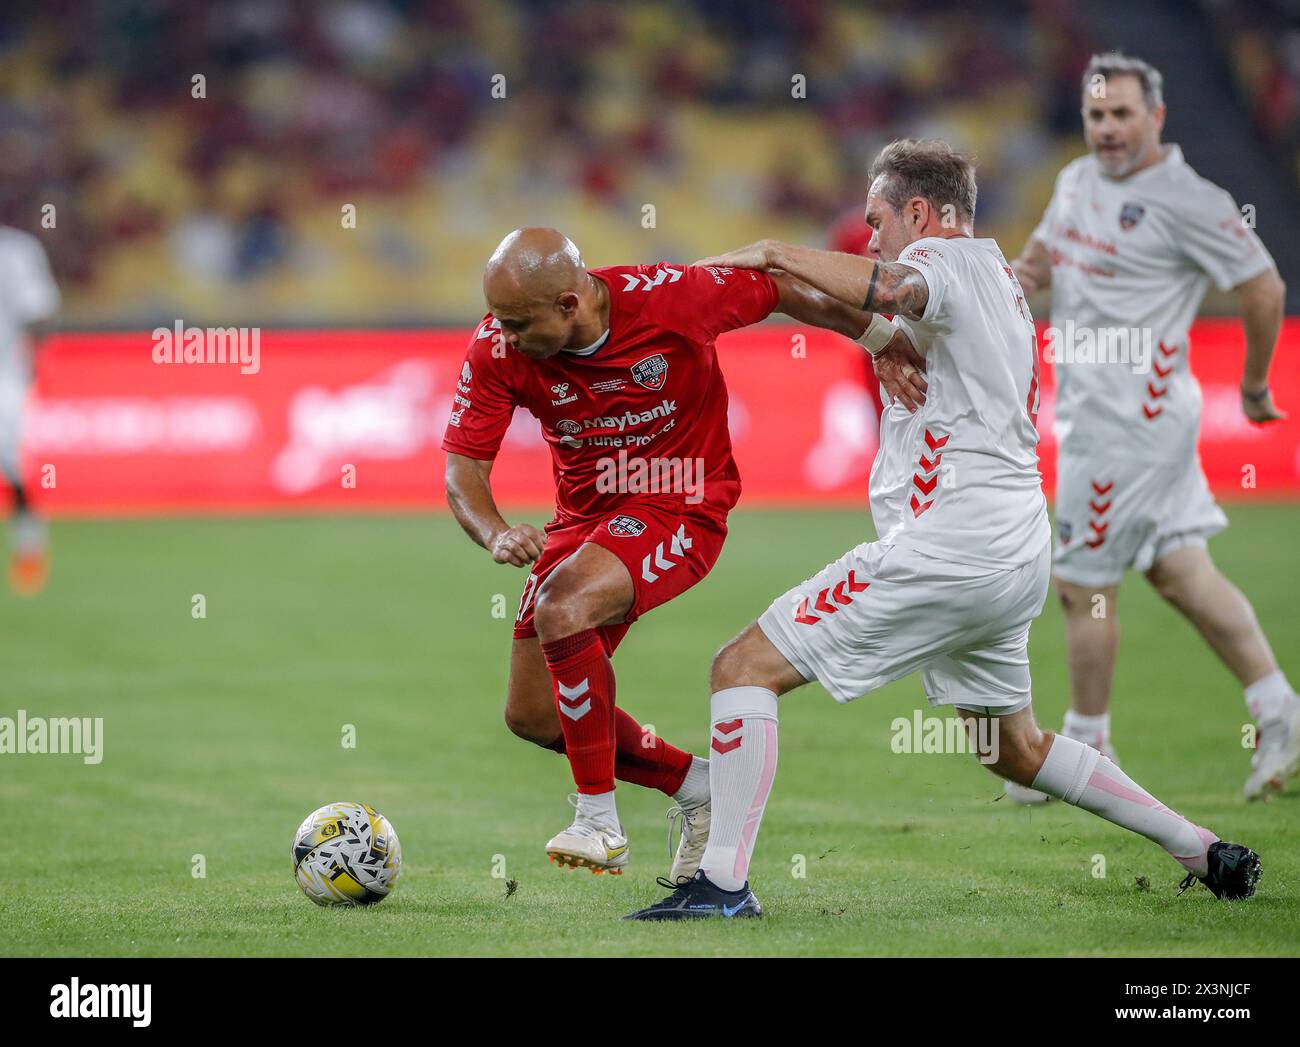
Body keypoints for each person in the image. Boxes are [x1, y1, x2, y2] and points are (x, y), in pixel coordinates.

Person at [625, 139, 1260, 920]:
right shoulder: (989, 281)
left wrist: (766, 250)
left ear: (920, 215)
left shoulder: (947, 264)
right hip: (1012, 544)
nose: (870, 237)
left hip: (954, 544)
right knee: (1012, 749)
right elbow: (839, 301)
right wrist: (871, 335)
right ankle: (1198, 846)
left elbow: (886, 282)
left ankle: (721, 885)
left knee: (740, 668)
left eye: (877, 220)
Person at [442, 227, 924, 877]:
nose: (506, 335)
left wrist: (881, 341)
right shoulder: (498, 344)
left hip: (682, 504)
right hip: (583, 519)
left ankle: (597, 821)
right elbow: (464, 467)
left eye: (519, 322)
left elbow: (779, 286)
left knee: (563, 606)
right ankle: (699, 785)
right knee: (530, 715)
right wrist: (496, 529)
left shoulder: (672, 299)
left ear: (567, 302)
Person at [1008, 52, 1298, 803]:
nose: (1107, 129)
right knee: (1180, 571)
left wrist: (1256, 381)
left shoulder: (1190, 199)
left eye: (1121, 115)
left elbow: (1264, 285)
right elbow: (1037, 263)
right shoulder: (1076, 182)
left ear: (1156, 117)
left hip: (1127, 429)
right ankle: (1281, 711)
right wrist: (996, 287)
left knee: (1081, 586)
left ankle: (1085, 744)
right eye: (1096, 115)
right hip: (1110, 419)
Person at [0, 225, 60, 596]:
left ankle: (29, 549)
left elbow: (39, 310)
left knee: (13, 466)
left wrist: (33, 355)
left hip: (5, 375)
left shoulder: (16, 250)